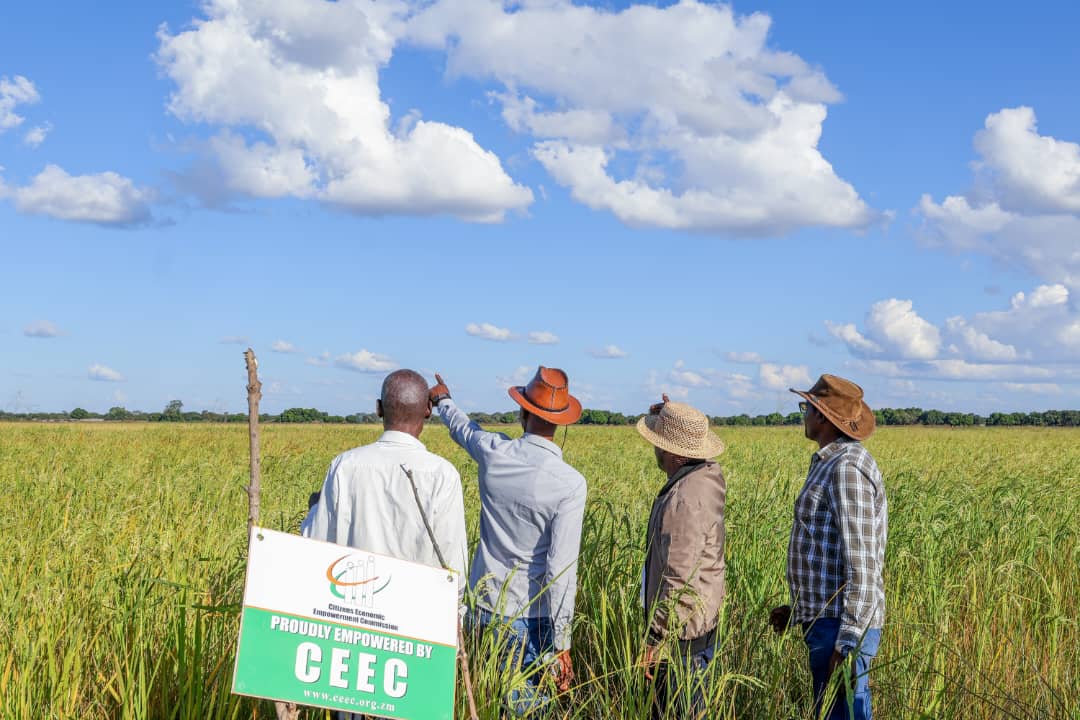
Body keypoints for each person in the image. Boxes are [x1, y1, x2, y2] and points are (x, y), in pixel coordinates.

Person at [302, 369, 468, 720]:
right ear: (428, 411)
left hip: (352, 640)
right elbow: (453, 571)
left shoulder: (346, 466)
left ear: (379, 408)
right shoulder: (443, 474)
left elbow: (313, 547)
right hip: (415, 640)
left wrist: (314, 508)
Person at [429, 367, 586, 715]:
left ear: (522, 413)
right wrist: (562, 643)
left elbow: (464, 429)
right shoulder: (570, 484)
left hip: (484, 609)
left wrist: (443, 400)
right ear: (561, 423)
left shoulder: (494, 451)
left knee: (486, 700)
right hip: (533, 619)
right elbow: (561, 570)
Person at [770, 374, 887, 720]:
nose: (804, 415)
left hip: (840, 627)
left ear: (822, 416)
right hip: (827, 620)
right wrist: (799, 610)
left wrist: (847, 643)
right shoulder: (831, 462)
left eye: (806, 408)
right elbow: (828, 552)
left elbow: (862, 564)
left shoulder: (846, 468)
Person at [636, 395, 727, 720]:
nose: (655, 449)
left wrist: (655, 639)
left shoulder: (685, 500)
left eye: (660, 443)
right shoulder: (704, 477)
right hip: (694, 634)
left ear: (674, 454)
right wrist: (669, 416)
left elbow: (679, 579)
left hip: (680, 643)